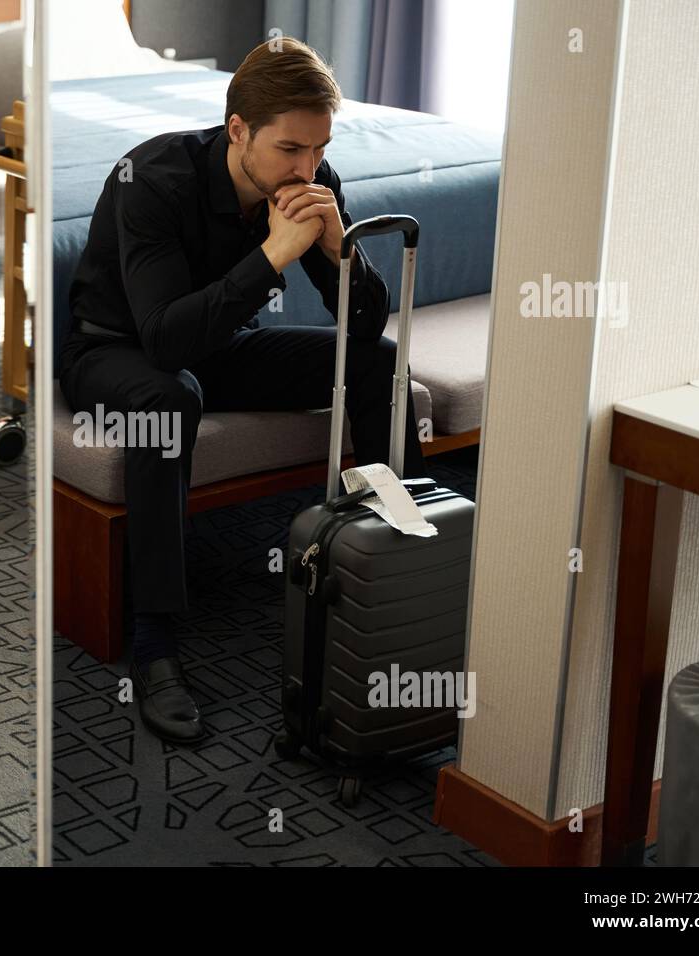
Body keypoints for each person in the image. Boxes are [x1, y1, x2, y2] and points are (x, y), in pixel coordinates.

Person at [56, 37, 430, 744]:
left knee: (380, 363)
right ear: (238, 131)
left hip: (218, 349)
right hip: (111, 355)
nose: (307, 167)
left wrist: (336, 246)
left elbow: (366, 323)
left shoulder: (314, 182)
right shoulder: (152, 179)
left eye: (319, 148)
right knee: (171, 399)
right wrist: (270, 257)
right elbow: (164, 342)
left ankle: (402, 567)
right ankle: (156, 645)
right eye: (291, 149)